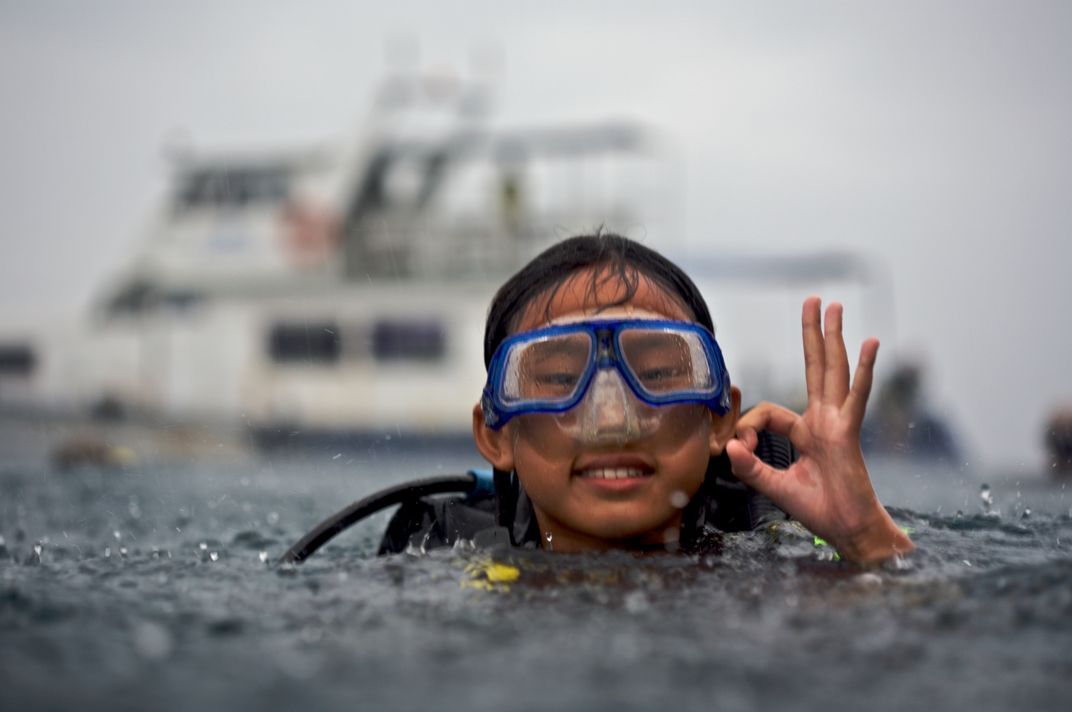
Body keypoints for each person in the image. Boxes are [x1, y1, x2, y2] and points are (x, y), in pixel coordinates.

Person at [380, 233, 913, 564]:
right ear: (495, 435)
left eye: (657, 374)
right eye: (561, 379)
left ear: (719, 419)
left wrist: (867, 541)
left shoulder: (782, 550)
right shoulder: (441, 558)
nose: (613, 419)